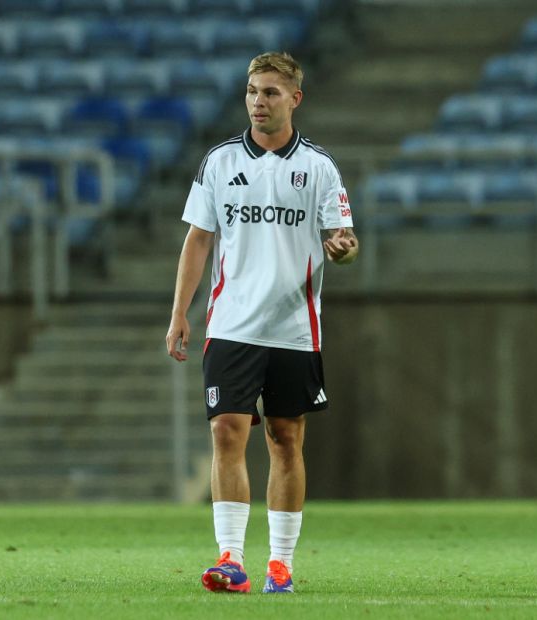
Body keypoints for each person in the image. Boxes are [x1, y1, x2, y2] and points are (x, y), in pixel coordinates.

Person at [165, 51, 359, 594]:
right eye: (252, 91)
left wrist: (343, 250)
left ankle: (281, 565)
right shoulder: (220, 161)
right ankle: (230, 558)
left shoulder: (318, 167)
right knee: (225, 430)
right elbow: (199, 239)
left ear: (295, 99)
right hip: (231, 322)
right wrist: (179, 312)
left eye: (270, 92)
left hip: (294, 327)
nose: (258, 101)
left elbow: (343, 239)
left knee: (284, 438)